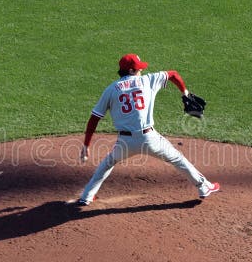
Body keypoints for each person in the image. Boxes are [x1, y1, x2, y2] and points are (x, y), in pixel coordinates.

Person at [76, 53, 220, 205]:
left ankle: (87, 196)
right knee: (177, 159)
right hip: (149, 138)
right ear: (131, 70)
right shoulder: (147, 81)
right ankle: (203, 187)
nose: (141, 71)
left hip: (125, 142)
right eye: (139, 68)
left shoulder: (111, 89)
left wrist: (86, 145)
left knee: (108, 163)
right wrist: (185, 92)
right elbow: (173, 74)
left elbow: (94, 118)